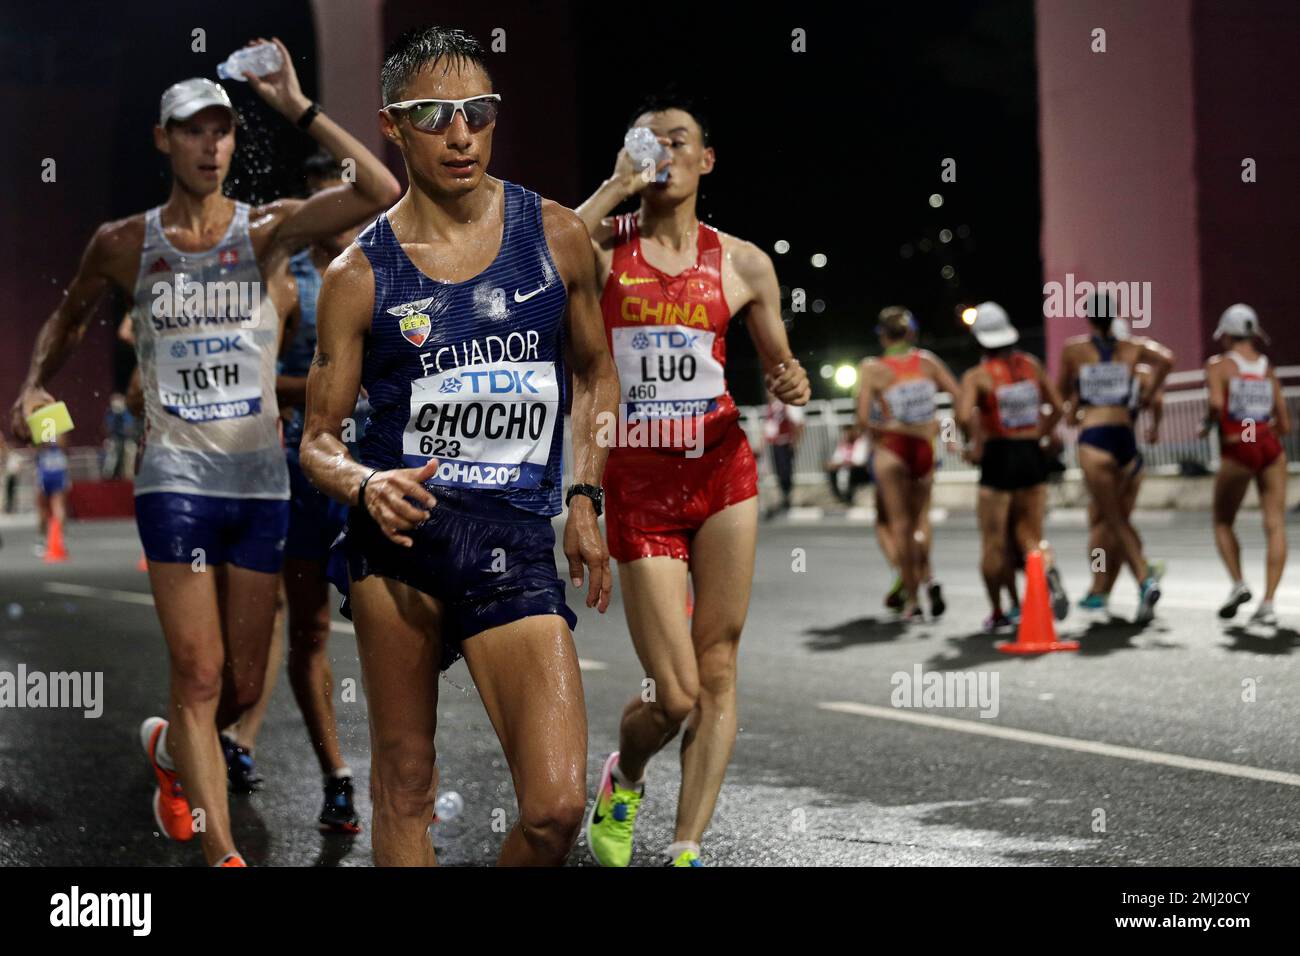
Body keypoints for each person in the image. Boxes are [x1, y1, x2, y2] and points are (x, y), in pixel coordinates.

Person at [9, 39, 400, 866]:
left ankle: (170, 753)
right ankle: (224, 850)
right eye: (193, 131)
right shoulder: (123, 243)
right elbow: (70, 316)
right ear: (164, 140)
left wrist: (296, 104)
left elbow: (382, 189)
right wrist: (35, 383)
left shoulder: (268, 231)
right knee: (197, 673)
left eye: (222, 129)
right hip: (175, 480)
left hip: (261, 481)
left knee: (243, 688)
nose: (212, 144)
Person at [300, 25, 618, 866]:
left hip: (511, 534)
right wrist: (365, 486)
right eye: (434, 114)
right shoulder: (357, 276)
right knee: (405, 784)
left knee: (554, 808)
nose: (460, 132)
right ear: (392, 126)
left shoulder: (555, 237)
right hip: (400, 536)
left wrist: (586, 496)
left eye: (478, 110)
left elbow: (596, 373)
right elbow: (319, 444)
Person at [576, 92, 810, 866]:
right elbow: (538, 258)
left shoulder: (743, 262)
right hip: (639, 482)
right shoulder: (607, 248)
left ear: (705, 160)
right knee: (671, 694)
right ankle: (626, 772)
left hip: (722, 471)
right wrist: (614, 186)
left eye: (678, 140)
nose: (663, 152)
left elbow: (780, 361)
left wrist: (790, 380)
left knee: (718, 666)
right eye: (646, 142)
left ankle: (686, 848)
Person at [222, 152, 364, 832]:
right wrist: (328, 386)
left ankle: (229, 738)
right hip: (298, 470)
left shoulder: (381, 265)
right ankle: (335, 777)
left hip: (379, 472)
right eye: (324, 202)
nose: (337, 214)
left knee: (405, 626)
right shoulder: (285, 278)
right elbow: (254, 376)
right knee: (301, 626)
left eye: (345, 198)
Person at [955, 302, 1068, 632]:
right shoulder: (1031, 366)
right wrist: (1043, 437)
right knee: (1030, 534)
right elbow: (1058, 407)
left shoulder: (978, 376)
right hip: (1032, 454)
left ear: (979, 341)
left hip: (999, 457)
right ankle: (1046, 570)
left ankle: (1000, 611)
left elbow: (962, 416)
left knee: (993, 542)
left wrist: (972, 443)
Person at [1057, 300, 1172, 621]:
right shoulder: (1136, 360)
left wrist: (1068, 410)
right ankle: (1110, 585)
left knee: (1104, 521)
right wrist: (1153, 423)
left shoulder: (1075, 351)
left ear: (1089, 319)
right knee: (1115, 520)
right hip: (1127, 444)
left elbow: (1062, 394)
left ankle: (1132, 578)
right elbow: (1166, 363)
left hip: (1096, 441)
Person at [856, 307, 959, 619]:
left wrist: (886, 428)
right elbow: (960, 396)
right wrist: (947, 431)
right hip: (924, 448)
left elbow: (862, 418)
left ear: (882, 336)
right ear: (911, 333)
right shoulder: (927, 362)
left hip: (893, 448)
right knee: (921, 521)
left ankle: (913, 601)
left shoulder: (873, 369)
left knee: (899, 524)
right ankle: (929, 578)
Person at [1202, 304, 1289, 626]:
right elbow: (1285, 423)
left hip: (1239, 446)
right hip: (1268, 444)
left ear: (1225, 334)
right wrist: (1262, 431)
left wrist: (1209, 423)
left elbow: (1215, 404)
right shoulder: (1267, 368)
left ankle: (1239, 584)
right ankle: (1268, 603)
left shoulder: (1218, 366)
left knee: (1223, 520)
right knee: (1275, 524)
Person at [762, 391, 804, 518]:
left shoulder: (788, 405)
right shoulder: (771, 407)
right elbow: (768, 428)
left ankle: (788, 497)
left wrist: (794, 442)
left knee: (786, 471)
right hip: (775, 443)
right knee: (779, 471)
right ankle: (784, 497)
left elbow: (799, 423)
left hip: (785, 442)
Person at [825, 425, 869, 505]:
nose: (846, 435)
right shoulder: (842, 445)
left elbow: (859, 461)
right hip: (845, 468)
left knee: (852, 470)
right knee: (831, 470)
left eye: (848, 433)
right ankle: (839, 496)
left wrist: (842, 464)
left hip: (860, 471)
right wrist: (831, 464)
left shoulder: (861, 443)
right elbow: (836, 459)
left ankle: (849, 497)